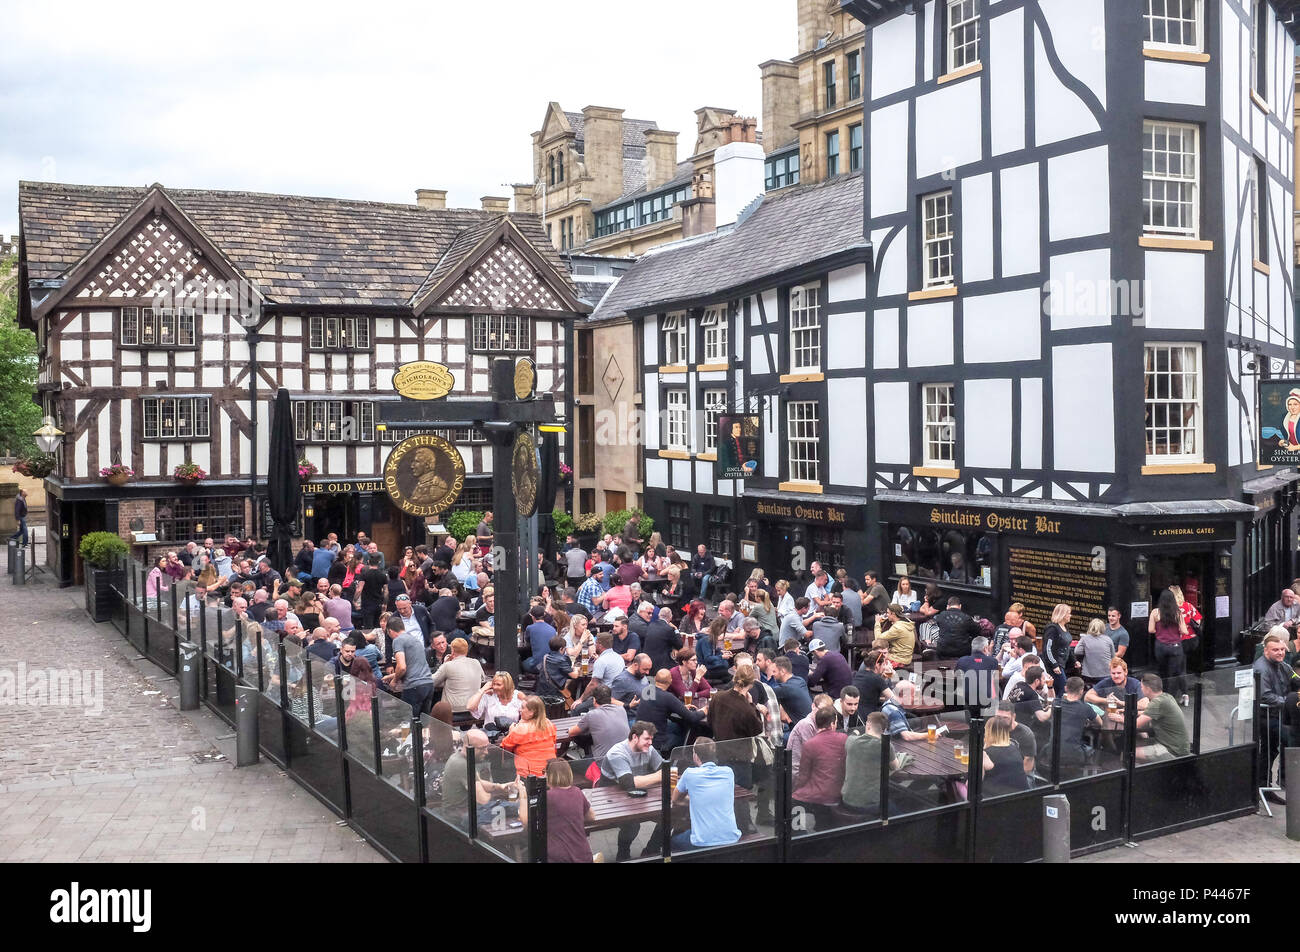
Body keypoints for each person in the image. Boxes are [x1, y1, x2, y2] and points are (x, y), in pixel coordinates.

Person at [603, 722, 666, 861]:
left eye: (651, 739)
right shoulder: (617, 753)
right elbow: (628, 783)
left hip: (638, 794)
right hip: (611, 798)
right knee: (633, 825)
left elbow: (665, 768)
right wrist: (657, 776)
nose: (650, 743)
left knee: (668, 817)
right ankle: (623, 854)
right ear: (634, 737)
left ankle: (651, 850)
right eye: (647, 739)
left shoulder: (648, 749)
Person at [515, 758, 596, 863]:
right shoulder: (577, 792)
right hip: (584, 856)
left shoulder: (548, 797)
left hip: (559, 858)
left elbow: (525, 821)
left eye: (544, 772)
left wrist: (522, 793)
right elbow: (591, 817)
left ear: (549, 775)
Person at [671, 738, 742, 851]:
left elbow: (675, 800)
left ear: (696, 755)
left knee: (672, 842)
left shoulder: (690, 774)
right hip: (731, 838)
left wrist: (695, 800)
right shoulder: (728, 772)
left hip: (702, 842)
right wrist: (698, 800)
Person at [1107, 673, 1189, 762]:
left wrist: (1119, 718)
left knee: (1126, 753)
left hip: (1172, 750)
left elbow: (1136, 724)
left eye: (1141, 687)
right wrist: (1126, 710)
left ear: (1148, 689)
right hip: (1176, 745)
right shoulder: (1166, 697)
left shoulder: (1157, 703)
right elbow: (1149, 712)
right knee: (1133, 743)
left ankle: (1133, 775)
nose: (1140, 689)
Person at [792, 706, 847, 829]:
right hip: (839, 793)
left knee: (792, 802)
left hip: (817, 796)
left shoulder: (809, 744)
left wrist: (796, 790)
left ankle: (797, 837)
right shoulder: (845, 739)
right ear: (833, 724)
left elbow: (803, 775)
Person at [1255, 630, 1292, 802]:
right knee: (1284, 743)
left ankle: (1269, 783)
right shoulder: (1262, 668)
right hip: (1267, 717)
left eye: (1282, 649)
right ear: (1266, 651)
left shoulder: (1283, 665)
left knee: (1271, 750)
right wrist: (1289, 701)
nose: (1280, 653)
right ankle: (1273, 782)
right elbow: (1265, 695)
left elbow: (1294, 678)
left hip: (1279, 715)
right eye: (1275, 650)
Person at [382, 613, 434, 717]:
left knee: (407, 722)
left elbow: (402, 667)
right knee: (423, 723)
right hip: (428, 684)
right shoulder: (415, 640)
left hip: (414, 687)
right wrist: (390, 676)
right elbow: (413, 666)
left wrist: (394, 681)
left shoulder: (398, 640)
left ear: (390, 631)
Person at [431, 638, 486, 725]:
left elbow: (432, 682)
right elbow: (483, 679)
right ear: (466, 650)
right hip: (473, 709)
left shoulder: (448, 666)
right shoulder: (476, 662)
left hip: (453, 712)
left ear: (452, 651)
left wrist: (444, 664)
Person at [500, 695, 557, 778]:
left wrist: (511, 732)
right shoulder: (549, 724)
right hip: (551, 773)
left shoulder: (520, 729)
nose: (520, 710)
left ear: (531, 712)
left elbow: (505, 747)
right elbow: (554, 744)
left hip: (528, 776)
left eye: (523, 708)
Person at [1148, 589, 1188, 703]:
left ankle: (1162, 696)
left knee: (1162, 672)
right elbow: (1184, 631)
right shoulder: (1177, 613)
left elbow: (1151, 630)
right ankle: (1171, 698)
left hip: (1160, 646)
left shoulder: (1155, 612)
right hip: (1175, 646)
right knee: (1174, 673)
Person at [1056, 676, 1102, 767]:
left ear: (1065, 688)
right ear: (1081, 691)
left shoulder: (1055, 703)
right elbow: (1100, 723)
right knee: (1092, 748)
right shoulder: (1085, 708)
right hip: (1075, 755)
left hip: (1053, 752)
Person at [981, 716, 1030, 796]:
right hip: (1022, 797)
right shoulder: (1016, 749)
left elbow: (972, 784)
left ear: (987, 732)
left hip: (995, 801)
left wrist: (984, 748)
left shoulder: (987, 754)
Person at [771, 656, 812, 735]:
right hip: (811, 727)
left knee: (777, 741)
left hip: (801, 732)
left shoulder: (784, 688)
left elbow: (765, 692)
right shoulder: (800, 680)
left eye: (774, 671)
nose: (772, 674)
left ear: (782, 671)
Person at [1041, 603, 1074, 696]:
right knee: (1063, 687)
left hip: (1062, 663)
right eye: (1068, 613)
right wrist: (1054, 664)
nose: (1070, 615)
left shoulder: (1065, 627)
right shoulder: (1052, 629)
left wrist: (1074, 660)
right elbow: (1047, 648)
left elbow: (1067, 646)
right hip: (1054, 665)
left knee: (1060, 688)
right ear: (1062, 614)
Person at [934, 595, 981, 659]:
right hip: (962, 652)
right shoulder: (966, 618)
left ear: (947, 606)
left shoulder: (941, 615)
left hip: (943, 650)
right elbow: (977, 631)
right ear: (960, 606)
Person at [641, 605, 683, 675]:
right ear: (670, 617)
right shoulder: (668, 629)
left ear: (659, 615)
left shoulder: (650, 625)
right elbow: (680, 645)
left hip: (648, 661)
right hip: (661, 665)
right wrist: (676, 630)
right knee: (679, 668)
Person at [1074, 618, 1115, 686]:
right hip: (1106, 674)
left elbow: (1077, 651)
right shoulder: (1108, 639)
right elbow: (1113, 656)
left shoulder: (1085, 639)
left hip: (1088, 675)